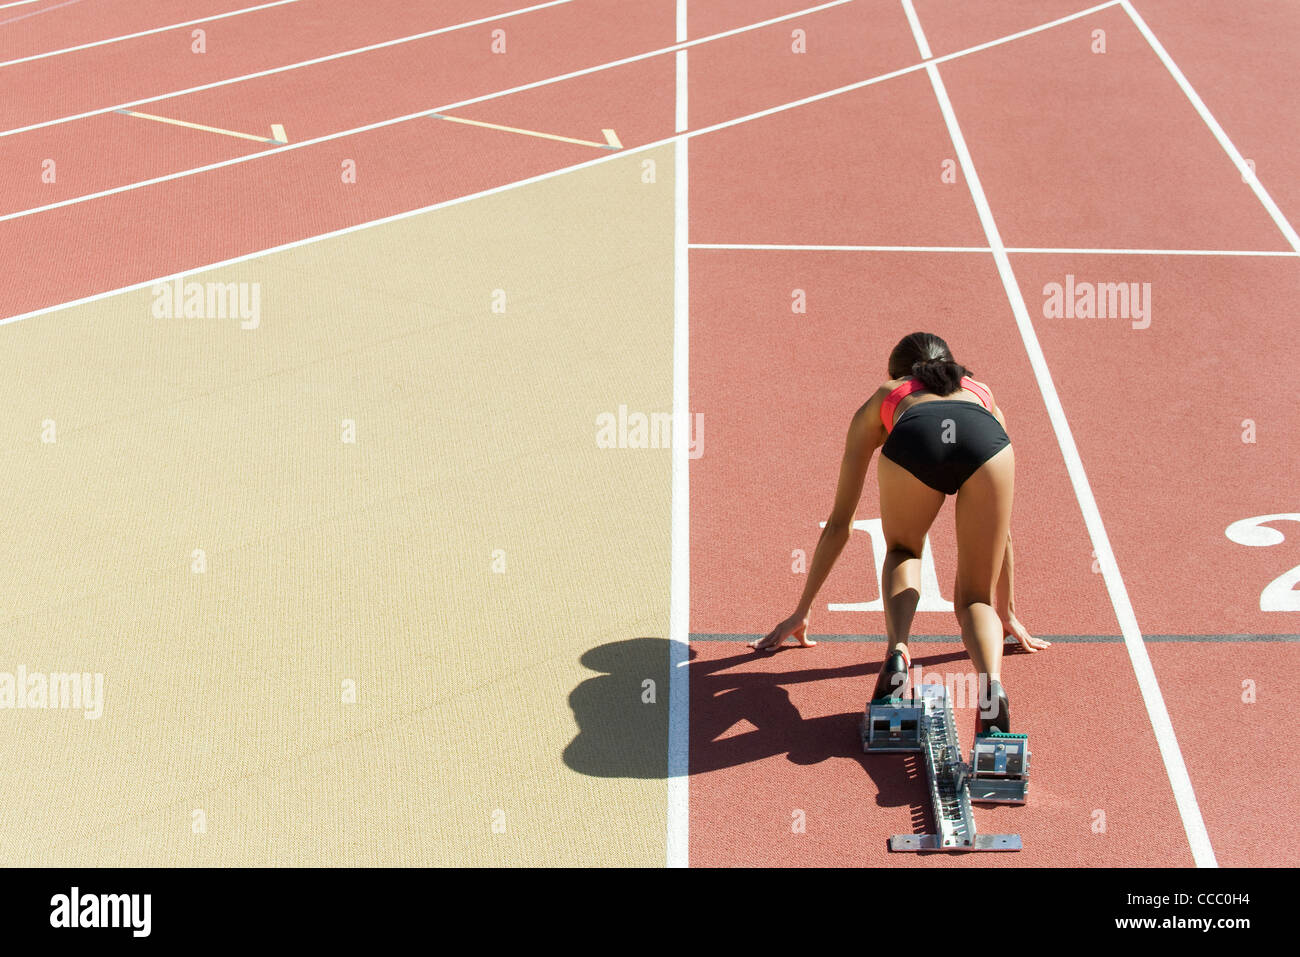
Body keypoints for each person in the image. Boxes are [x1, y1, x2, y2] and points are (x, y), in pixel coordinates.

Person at [750, 332, 1050, 733]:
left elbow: (841, 522)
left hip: (916, 441)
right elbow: (1004, 533)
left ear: (898, 372)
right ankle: (991, 683)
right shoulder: (983, 393)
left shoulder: (888, 394)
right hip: (987, 443)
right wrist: (1006, 610)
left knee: (905, 551)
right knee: (976, 597)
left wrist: (802, 610)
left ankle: (898, 651)